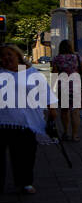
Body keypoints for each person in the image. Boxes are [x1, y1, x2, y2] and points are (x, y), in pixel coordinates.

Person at [0, 44, 56, 194]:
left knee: (25, 155)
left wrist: (52, 110)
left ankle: (25, 182)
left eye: (9, 54)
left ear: (18, 55)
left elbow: (46, 92)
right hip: (3, 121)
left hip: (26, 122)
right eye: (3, 56)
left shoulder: (31, 72)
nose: (6, 58)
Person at [49, 39, 82, 141]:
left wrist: (52, 88)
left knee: (64, 111)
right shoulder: (77, 57)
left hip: (63, 88)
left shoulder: (57, 59)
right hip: (75, 87)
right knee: (75, 112)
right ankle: (75, 135)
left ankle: (65, 132)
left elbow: (55, 74)